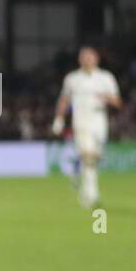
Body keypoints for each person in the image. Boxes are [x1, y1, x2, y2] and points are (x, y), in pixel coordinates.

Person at [52, 46, 120, 209]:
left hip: (100, 123)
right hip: (81, 122)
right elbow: (64, 100)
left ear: (97, 59)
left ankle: (85, 188)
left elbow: (118, 102)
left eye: (90, 57)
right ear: (79, 60)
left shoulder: (106, 78)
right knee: (87, 156)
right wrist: (59, 119)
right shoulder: (72, 79)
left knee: (94, 158)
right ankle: (91, 194)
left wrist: (107, 98)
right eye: (84, 57)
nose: (87, 60)